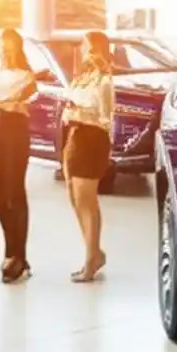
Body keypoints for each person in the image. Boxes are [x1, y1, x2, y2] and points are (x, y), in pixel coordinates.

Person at [0, 29, 38, 284]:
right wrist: (1, 102)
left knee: (14, 189)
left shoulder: (26, 76)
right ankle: (11, 248)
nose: (5, 50)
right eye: (2, 46)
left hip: (15, 129)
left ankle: (17, 255)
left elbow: (18, 100)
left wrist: (2, 102)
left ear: (18, 47)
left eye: (9, 45)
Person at [62, 31, 114, 283]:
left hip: (93, 139)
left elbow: (105, 118)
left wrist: (80, 113)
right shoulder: (81, 78)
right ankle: (94, 252)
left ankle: (90, 259)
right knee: (74, 196)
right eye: (85, 48)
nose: (85, 52)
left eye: (89, 48)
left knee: (87, 199)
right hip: (74, 137)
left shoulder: (104, 80)